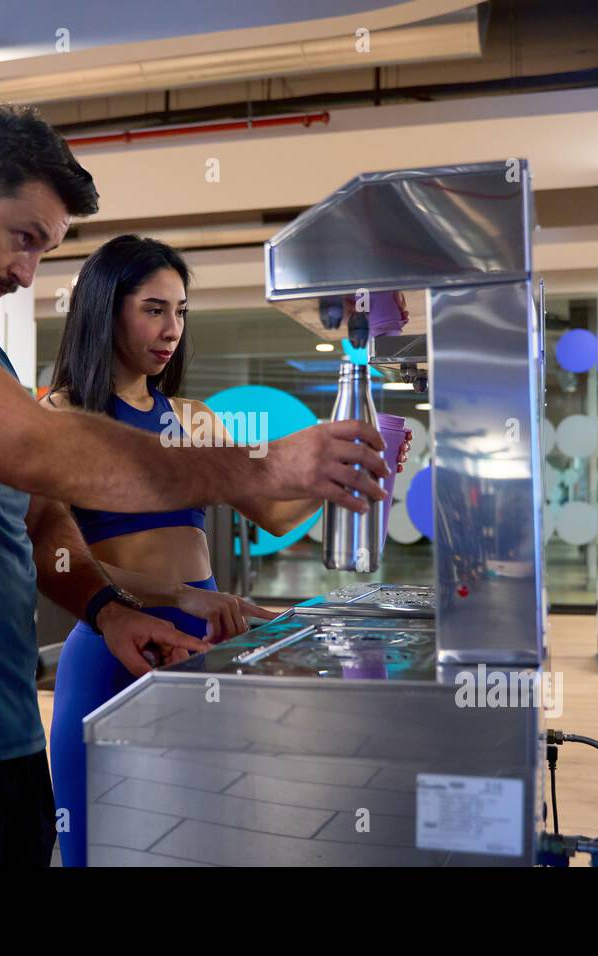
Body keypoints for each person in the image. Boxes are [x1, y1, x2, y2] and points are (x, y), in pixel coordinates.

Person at [0, 105, 391, 866]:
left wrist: (108, 610)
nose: (28, 271)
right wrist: (265, 466)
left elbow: (36, 521)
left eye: (46, 249)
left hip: (1, 728)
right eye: (24, 238)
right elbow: (35, 448)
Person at [43, 235, 412, 866]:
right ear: (106, 309)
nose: (172, 330)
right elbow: (59, 559)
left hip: (206, 646)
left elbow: (272, 510)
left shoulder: (195, 421)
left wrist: (343, 465)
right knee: (96, 848)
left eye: (182, 312)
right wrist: (181, 594)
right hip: (112, 651)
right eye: (154, 309)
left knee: (191, 837)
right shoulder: (58, 416)